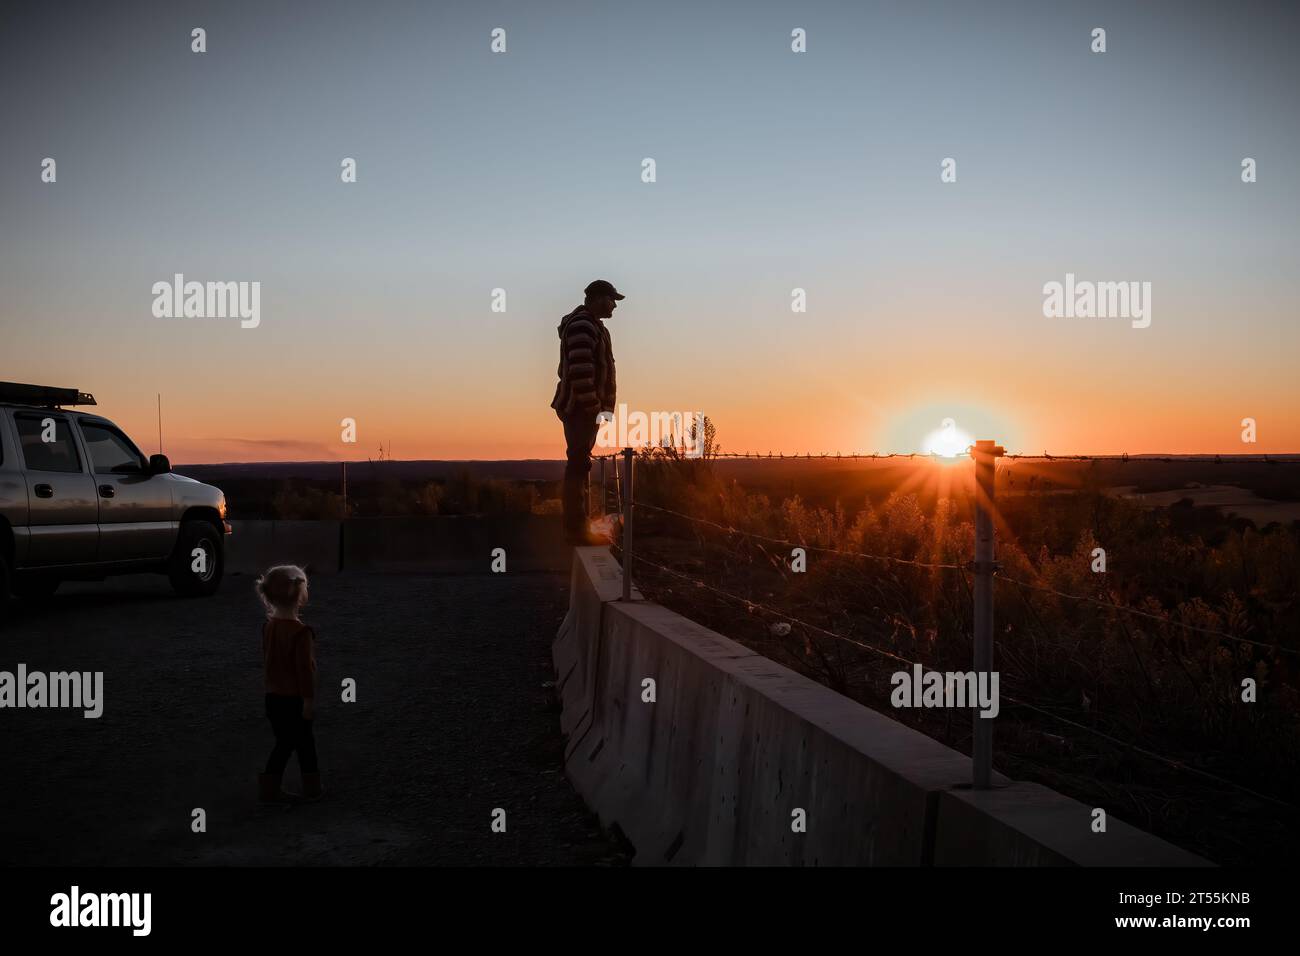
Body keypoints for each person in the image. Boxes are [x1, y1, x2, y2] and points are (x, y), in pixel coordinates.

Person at [551, 279, 622, 545]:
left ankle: (578, 528)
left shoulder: (593, 326)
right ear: (597, 299)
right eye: (611, 299)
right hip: (581, 410)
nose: (614, 305)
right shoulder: (583, 325)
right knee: (578, 466)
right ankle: (576, 530)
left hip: (584, 410)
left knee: (579, 464)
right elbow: (582, 371)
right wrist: (595, 408)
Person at [255, 564, 322, 804]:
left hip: (272, 697)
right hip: (294, 699)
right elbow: (304, 670)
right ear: (300, 594)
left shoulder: (269, 627)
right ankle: (307, 787)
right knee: (299, 742)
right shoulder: (301, 632)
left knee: (287, 741)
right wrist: (309, 700)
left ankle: (274, 787)